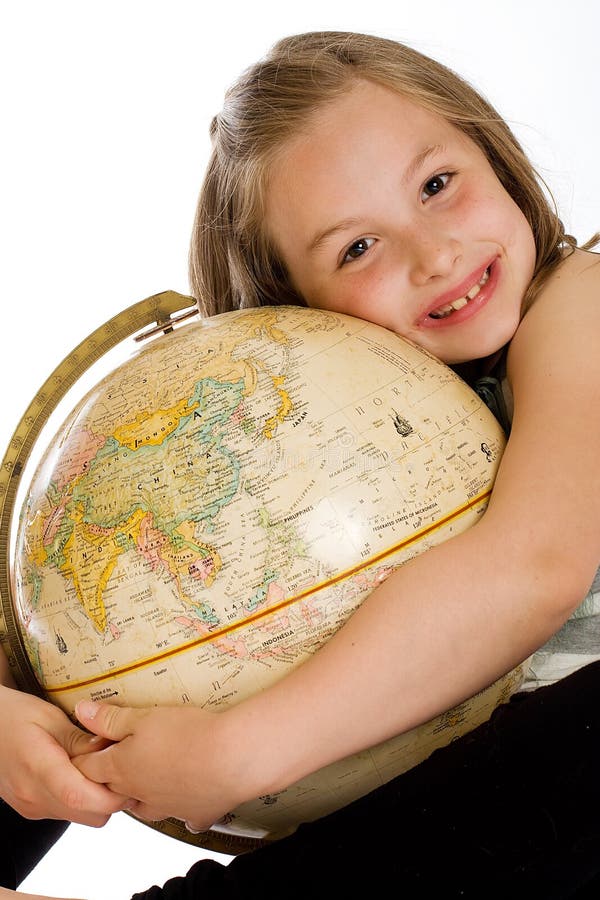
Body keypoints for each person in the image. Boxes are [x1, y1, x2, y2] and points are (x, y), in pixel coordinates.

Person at [3, 29, 600, 898]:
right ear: (295, 311)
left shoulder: (581, 299)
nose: (434, 255)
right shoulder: (352, 443)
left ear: (494, 155)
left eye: (437, 185)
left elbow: (536, 567)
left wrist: (237, 754)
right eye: (357, 249)